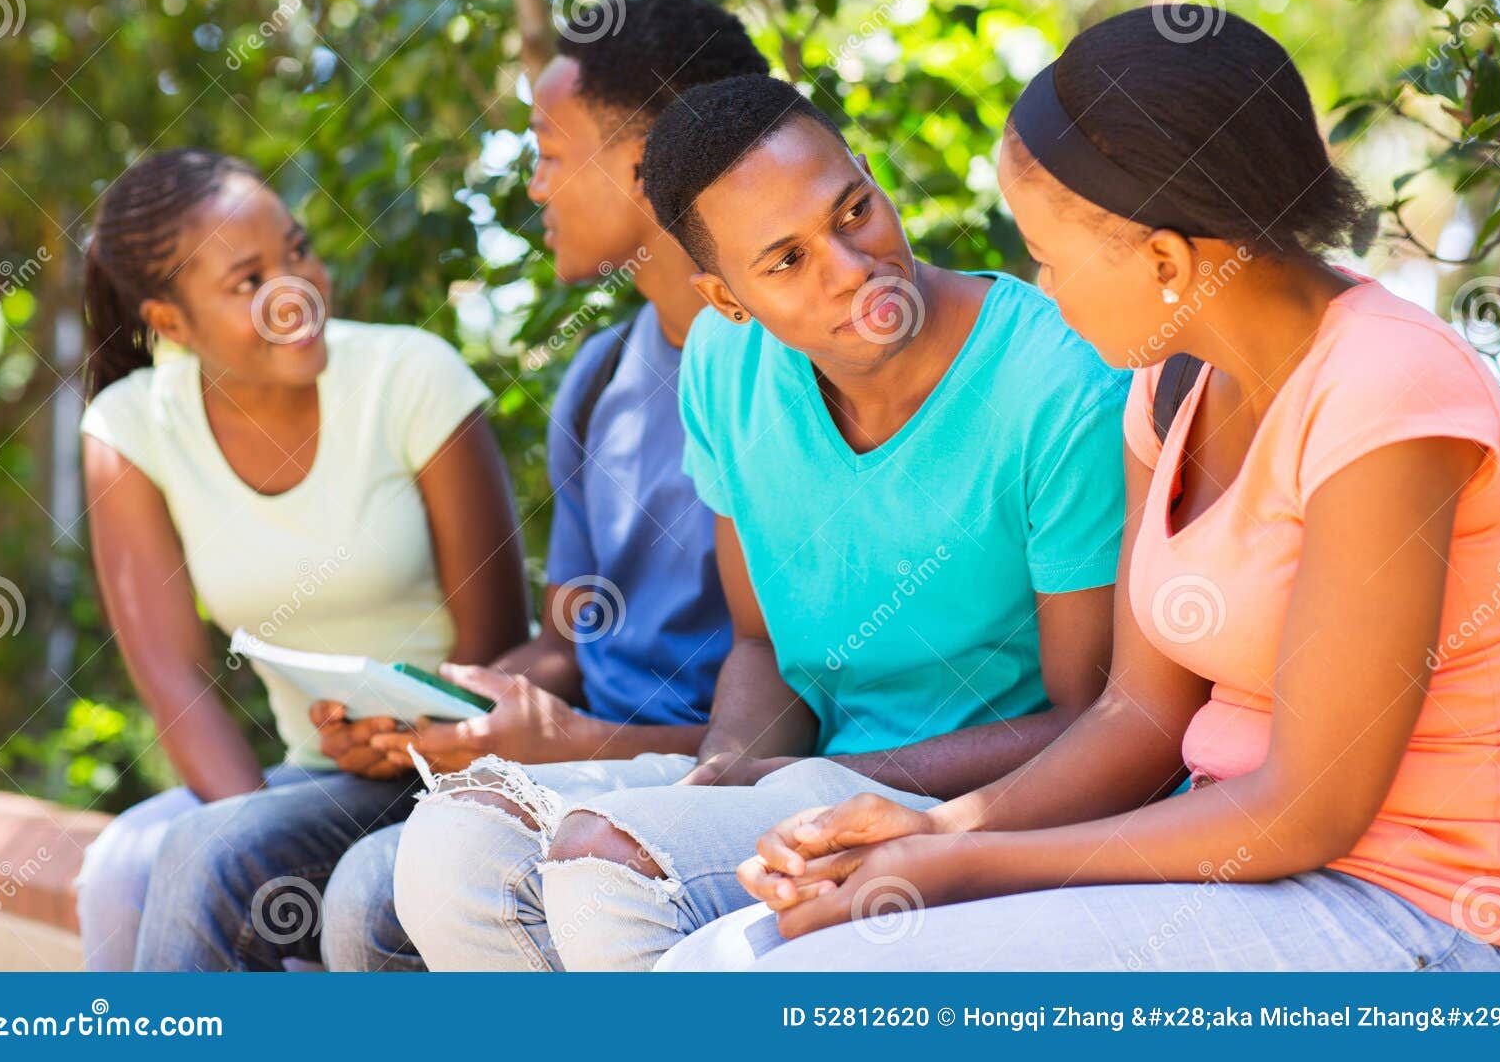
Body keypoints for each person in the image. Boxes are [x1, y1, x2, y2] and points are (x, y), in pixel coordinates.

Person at [664, 6, 1500, 974]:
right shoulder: (1171, 387)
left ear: (1163, 260)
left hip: (1422, 913)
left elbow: (1305, 808)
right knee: (712, 964)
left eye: (1045, 254)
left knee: (780, 985)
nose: (1037, 286)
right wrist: (934, 830)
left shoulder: (1385, 389)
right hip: (1236, 871)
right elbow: (1138, 717)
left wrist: (963, 863)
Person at [392, 73, 1130, 971]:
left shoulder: (1056, 382)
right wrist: (724, 771)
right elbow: (756, 643)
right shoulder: (724, 363)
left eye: (853, 210)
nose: (852, 270)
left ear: (868, 170)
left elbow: (1090, 715)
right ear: (728, 299)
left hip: (972, 795)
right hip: (811, 775)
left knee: (609, 869)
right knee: (455, 845)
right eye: (785, 262)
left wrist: (826, 785)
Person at [137, 0, 764, 972]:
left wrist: (571, 739)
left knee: (367, 900)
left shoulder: (786, 371)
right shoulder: (598, 379)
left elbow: (784, 703)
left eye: (550, 155)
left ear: (642, 171)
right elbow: (566, 639)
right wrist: (435, 706)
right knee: (209, 855)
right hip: (565, 760)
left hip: (685, 769)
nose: (532, 185)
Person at [74, 148, 529, 971]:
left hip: (464, 764)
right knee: (122, 864)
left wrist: (249, 846)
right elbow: (174, 675)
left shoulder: (409, 376)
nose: (295, 291)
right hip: (322, 775)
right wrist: (255, 839)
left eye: (298, 249)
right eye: (249, 282)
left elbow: (494, 647)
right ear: (171, 323)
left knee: (213, 856)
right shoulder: (131, 426)